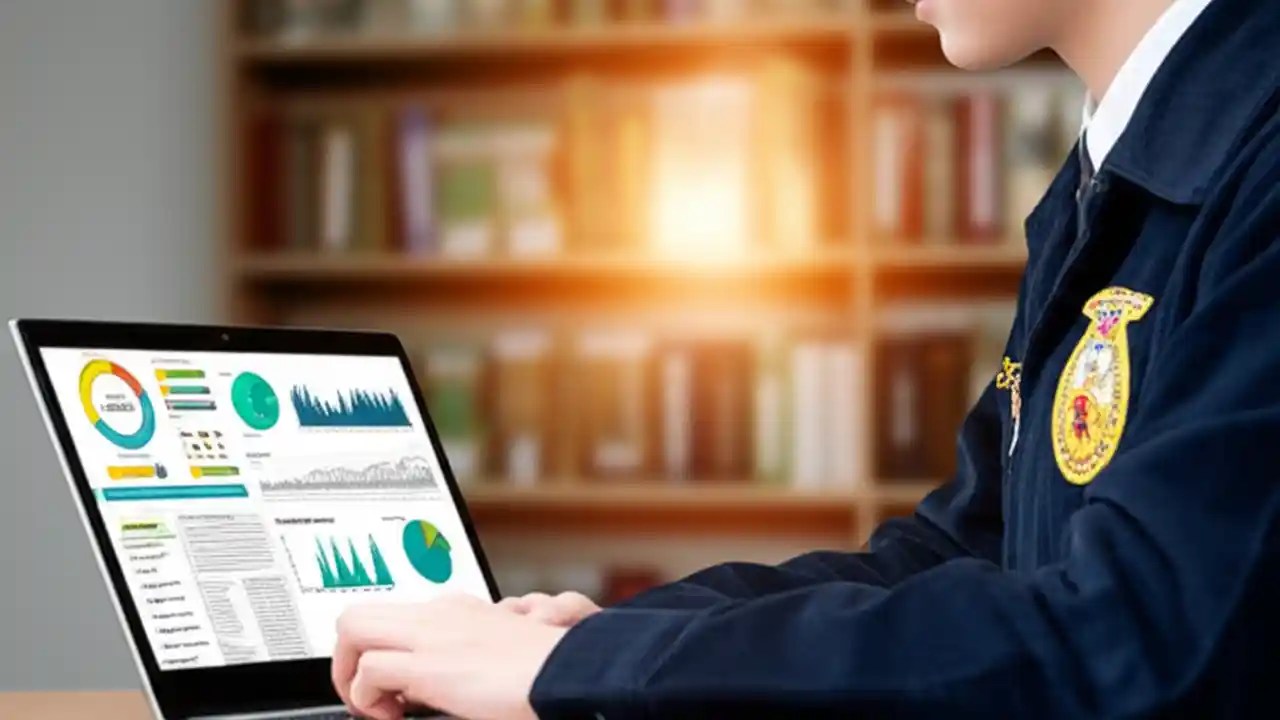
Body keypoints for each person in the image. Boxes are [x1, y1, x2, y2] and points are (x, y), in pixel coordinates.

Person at [331, 0, 1280, 716]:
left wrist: (578, 673)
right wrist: (603, 640)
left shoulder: (1256, 164)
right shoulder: (1110, 182)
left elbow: (1140, 637)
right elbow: (957, 551)